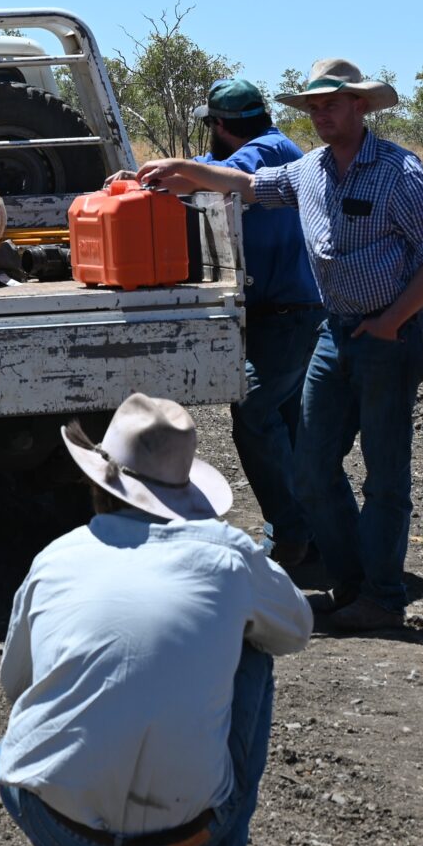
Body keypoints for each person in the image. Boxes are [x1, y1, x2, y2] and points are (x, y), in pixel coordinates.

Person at [138, 58, 423, 633]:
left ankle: (382, 596)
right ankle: (351, 585)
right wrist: (184, 170)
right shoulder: (309, 169)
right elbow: (244, 184)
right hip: (333, 333)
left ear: (361, 107)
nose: (320, 115)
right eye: (313, 107)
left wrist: (392, 319)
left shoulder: (397, 170)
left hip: (388, 337)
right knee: (313, 469)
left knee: (385, 474)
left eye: (331, 104)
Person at [0, 394, 312, 846]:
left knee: (14, 746)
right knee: (253, 651)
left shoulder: (57, 556)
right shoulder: (227, 554)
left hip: (60, 827)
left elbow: (14, 685)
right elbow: (296, 629)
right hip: (182, 838)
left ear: (98, 481)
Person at [110, 79, 323, 565]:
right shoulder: (273, 146)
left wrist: (179, 170)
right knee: (290, 422)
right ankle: (313, 532)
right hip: (285, 312)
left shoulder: (268, 152)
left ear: (220, 126)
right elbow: (206, 181)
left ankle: (291, 533)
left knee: (253, 412)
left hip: (291, 314)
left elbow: (225, 176)